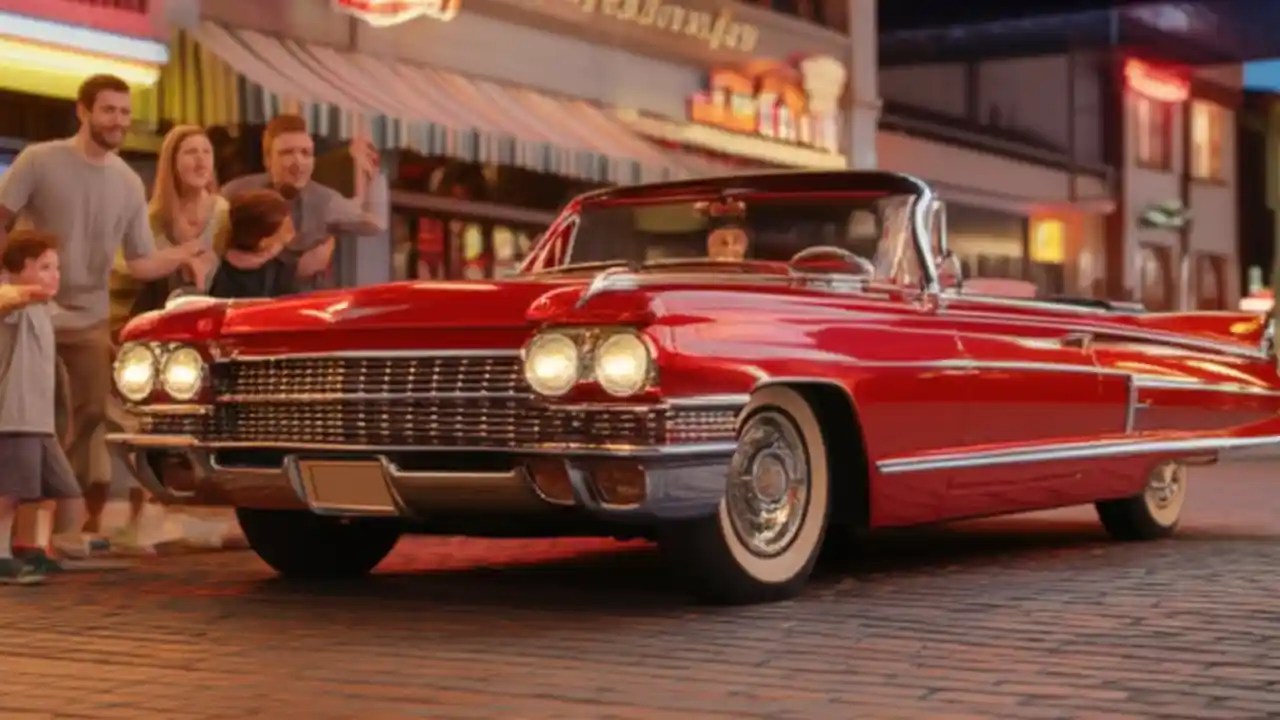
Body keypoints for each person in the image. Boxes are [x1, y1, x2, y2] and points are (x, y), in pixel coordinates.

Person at [0, 73, 210, 544]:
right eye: (109, 110)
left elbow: (139, 261)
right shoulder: (40, 160)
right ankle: (19, 530)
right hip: (32, 313)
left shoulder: (127, 183)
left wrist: (183, 254)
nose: (118, 120)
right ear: (84, 111)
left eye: (124, 112)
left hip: (90, 319)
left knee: (87, 417)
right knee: (27, 419)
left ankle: (51, 530)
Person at [106, 124, 232, 553]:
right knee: (142, 422)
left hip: (204, 330)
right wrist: (181, 256)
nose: (199, 161)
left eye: (205, 152)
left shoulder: (222, 213)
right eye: (189, 153)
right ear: (172, 162)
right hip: (155, 323)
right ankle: (140, 515)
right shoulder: (151, 213)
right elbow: (128, 266)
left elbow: (231, 266)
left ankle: (180, 513)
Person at [0, 231, 109, 583]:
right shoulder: (14, 308)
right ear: (18, 270)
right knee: (9, 491)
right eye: (45, 267)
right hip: (14, 417)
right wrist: (25, 292)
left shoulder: (47, 310)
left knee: (54, 488)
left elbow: (79, 324)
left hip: (40, 421)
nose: (54, 275)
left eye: (56, 268)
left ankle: (32, 546)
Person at [219, 114, 387, 292]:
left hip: (304, 304)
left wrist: (372, 176)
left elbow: (376, 224)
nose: (298, 161)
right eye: (287, 153)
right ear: (268, 159)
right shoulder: (237, 192)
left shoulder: (324, 201)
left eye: (306, 153)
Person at [209, 187, 308, 299]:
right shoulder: (220, 276)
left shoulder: (283, 268)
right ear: (263, 242)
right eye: (287, 230)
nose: (293, 234)